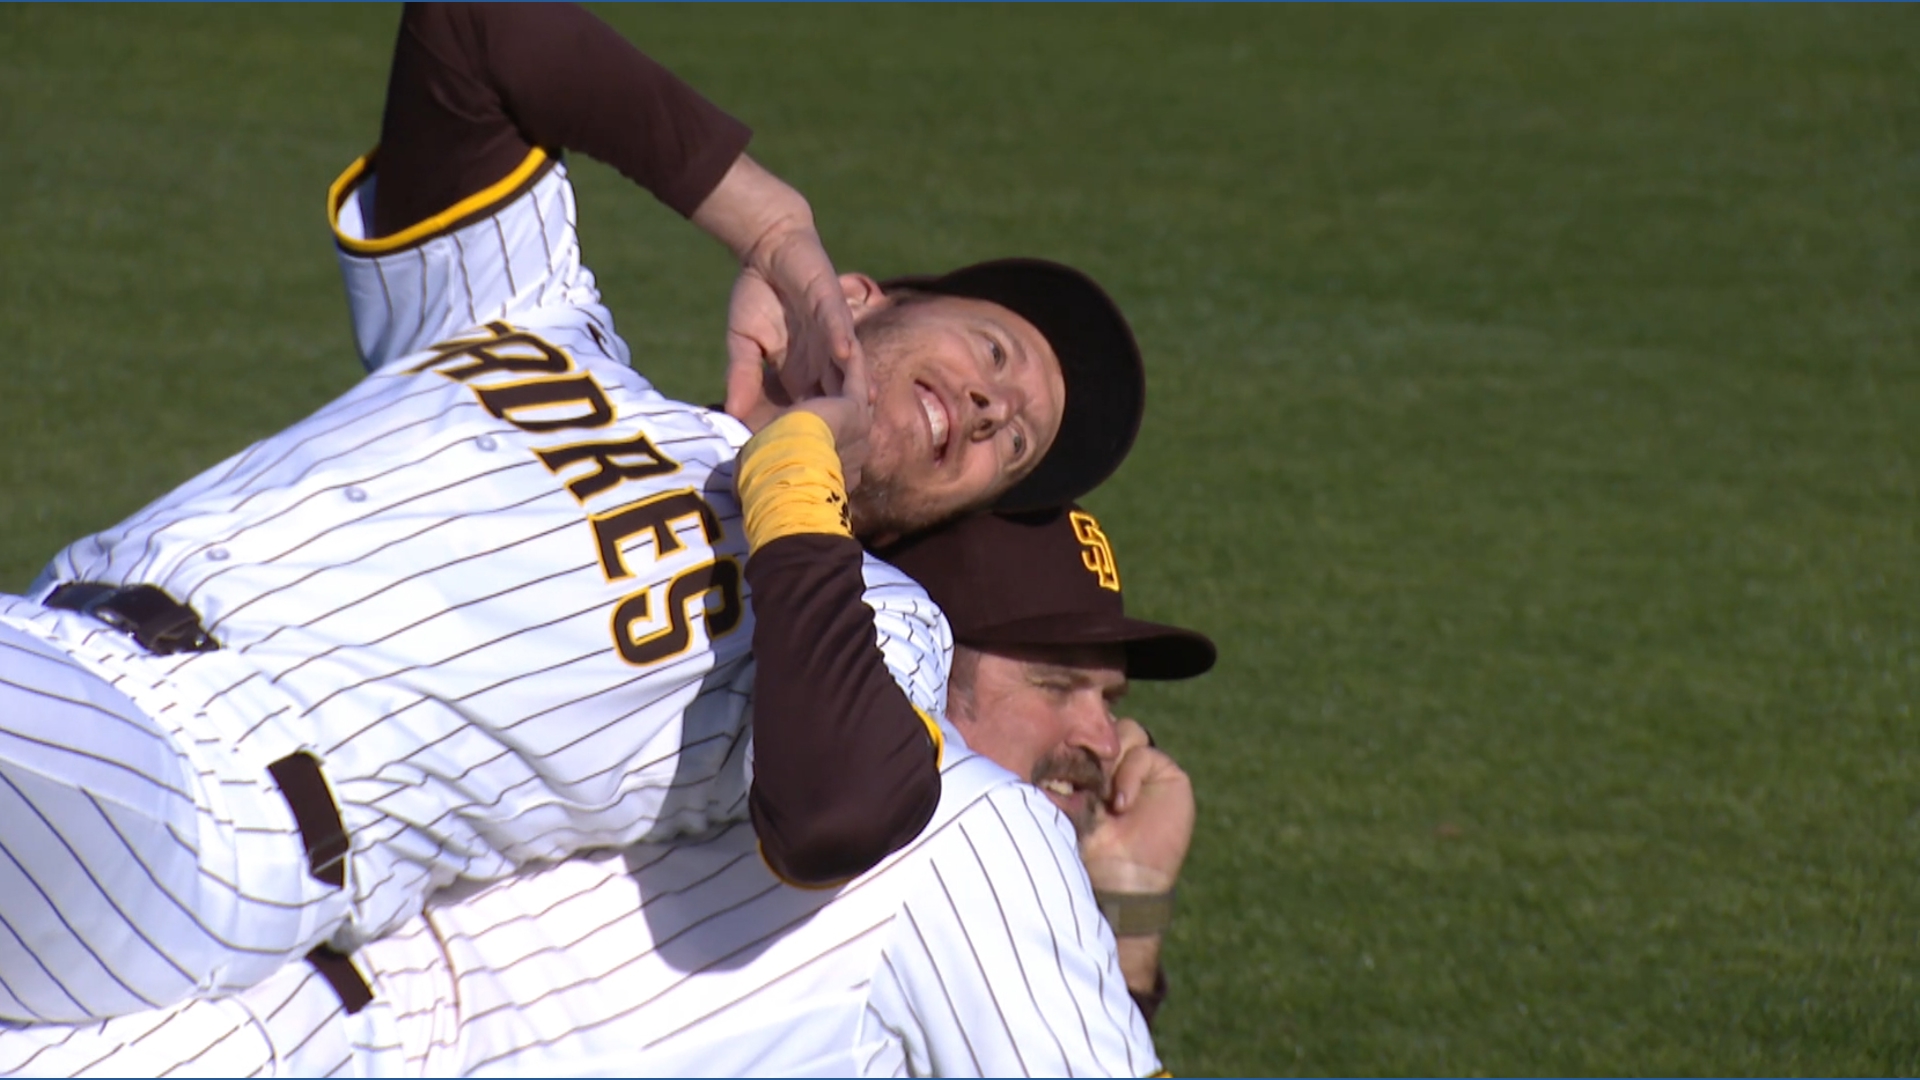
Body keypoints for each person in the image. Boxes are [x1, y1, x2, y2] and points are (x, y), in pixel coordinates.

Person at [0, 3, 1148, 1023]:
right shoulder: (538, 316)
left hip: (205, 814)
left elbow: (837, 814)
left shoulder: (870, 620)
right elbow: (476, 29)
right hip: (62, 655)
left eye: (1017, 443)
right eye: (994, 350)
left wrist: (800, 472)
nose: (997, 404)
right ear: (863, 302)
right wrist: (772, 227)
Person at [0, 504, 1215, 1078]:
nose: (1103, 741)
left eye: (1110, 696)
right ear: (915, 655)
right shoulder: (972, 835)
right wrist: (1127, 906)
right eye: (1058, 683)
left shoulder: (699, 702)